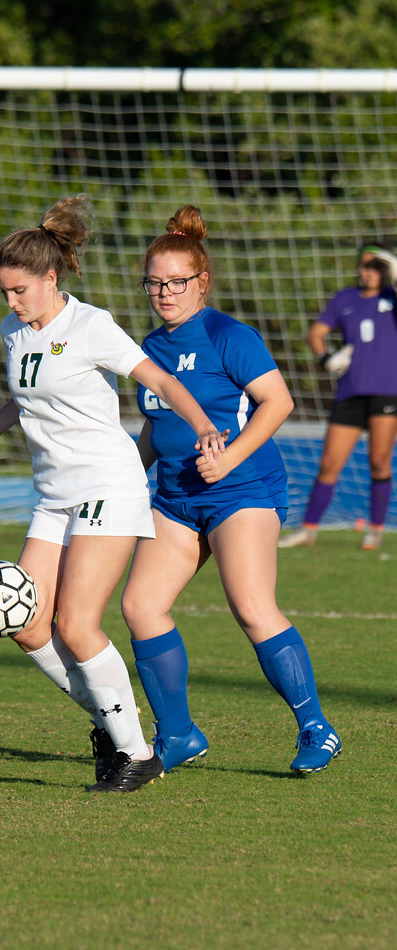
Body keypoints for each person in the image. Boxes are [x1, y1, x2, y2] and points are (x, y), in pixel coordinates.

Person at [0, 194, 227, 792]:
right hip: (53, 494)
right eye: (4, 292)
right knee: (26, 624)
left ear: (50, 279)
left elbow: (158, 378)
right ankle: (113, 723)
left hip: (108, 484)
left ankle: (137, 754)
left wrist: (204, 424)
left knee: (77, 625)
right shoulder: (14, 330)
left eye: (20, 291)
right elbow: (29, 395)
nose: (11, 303)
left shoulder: (92, 326)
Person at [120, 205, 341, 776]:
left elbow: (279, 402)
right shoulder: (149, 346)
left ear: (202, 281)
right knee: (141, 606)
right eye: (155, 282)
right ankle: (179, 734)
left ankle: (317, 727)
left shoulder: (227, 334)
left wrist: (231, 457)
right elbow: (155, 424)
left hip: (243, 489)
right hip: (174, 496)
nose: (165, 293)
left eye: (177, 282)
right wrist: (127, 472)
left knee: (250, 606)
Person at [279, 244, 397, 551]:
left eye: (377, 266)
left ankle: (374, 530)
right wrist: (325, 358)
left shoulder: (391, 298)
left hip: (387, 391)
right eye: (365, 265)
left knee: (379, 461)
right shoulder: (345, 298)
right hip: (350, 392)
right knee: (330, 462)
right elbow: (315, 333)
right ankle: (309, 529)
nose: (369, 271)